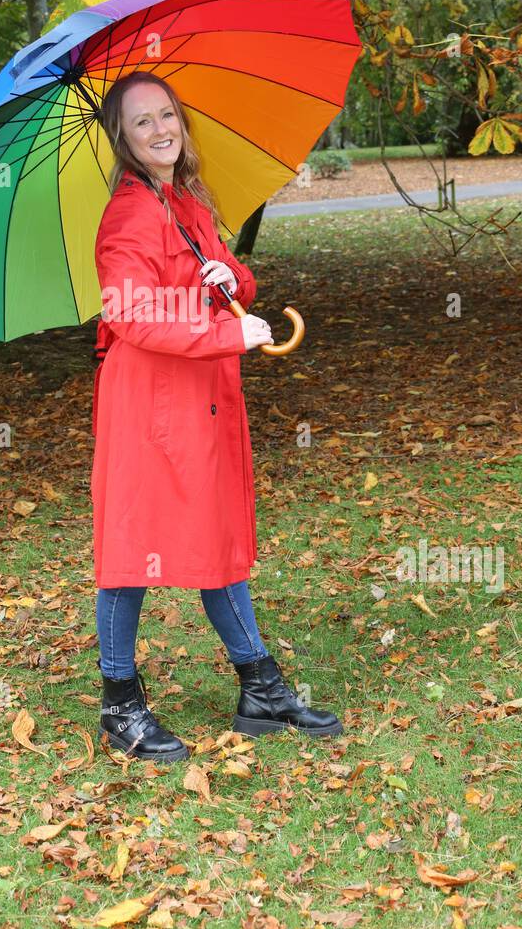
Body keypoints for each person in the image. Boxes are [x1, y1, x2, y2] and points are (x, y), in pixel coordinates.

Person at [90, 69, 343, 762]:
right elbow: (132, 313)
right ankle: (119, 704)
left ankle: (259, 685)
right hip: (147, 404)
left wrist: (234, 283)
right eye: (141, 121)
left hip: (200, 400)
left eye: (166, 115)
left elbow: (228, 273)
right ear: (122, 136)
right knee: (129, 549)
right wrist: (228, 333)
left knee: (217, 535)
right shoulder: (129, 216)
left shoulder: (187, 202)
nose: (160, 129)